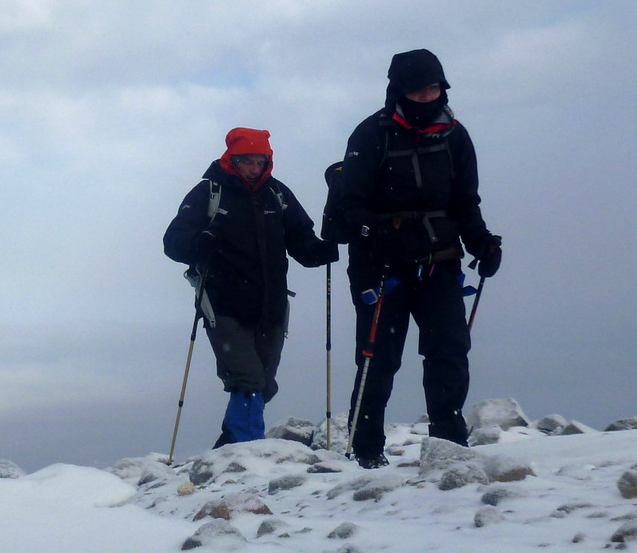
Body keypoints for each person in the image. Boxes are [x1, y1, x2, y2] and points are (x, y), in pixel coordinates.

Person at [333, 49, 502, 468]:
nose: (427, 96)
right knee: (378, 357)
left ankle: (448, 442)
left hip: (440, 261)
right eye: (418, 89)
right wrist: (374, 235)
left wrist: (482, 243)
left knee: (449, 350)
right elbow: (349, 204)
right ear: (399, 90)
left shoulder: (455, 136)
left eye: (434, 87)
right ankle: (365, 448)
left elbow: (466, 201)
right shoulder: (370, 134)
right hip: (381, 265)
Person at [164, 127, 338, 446]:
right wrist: (198, 243)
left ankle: (230, 446)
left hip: (270, 305)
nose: (255, 169)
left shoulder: (278, 194)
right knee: (247, 378)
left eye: (261, 162)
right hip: (222, 303)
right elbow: (173, 242)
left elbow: (301, 238)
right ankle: (250, 450)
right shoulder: (208, 193)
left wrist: (319, 251)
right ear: (232, 159)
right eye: (248, 162)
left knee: (265, 384)